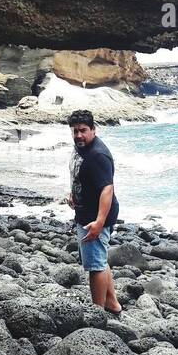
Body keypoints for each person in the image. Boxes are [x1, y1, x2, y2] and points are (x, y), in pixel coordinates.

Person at [67, 109, 122, 314]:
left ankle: (97, 313)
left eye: (83, 130)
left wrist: (99, 222)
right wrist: (72, 193)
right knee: (99, 259)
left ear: (93, 130)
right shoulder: (80, 147)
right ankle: (112, 303)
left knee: (95, 267)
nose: (79, 135)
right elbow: (78, 173)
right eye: (75, 131)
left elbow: (107, 188)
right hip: (85, 212)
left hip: (94, 217)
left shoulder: (98, 155)